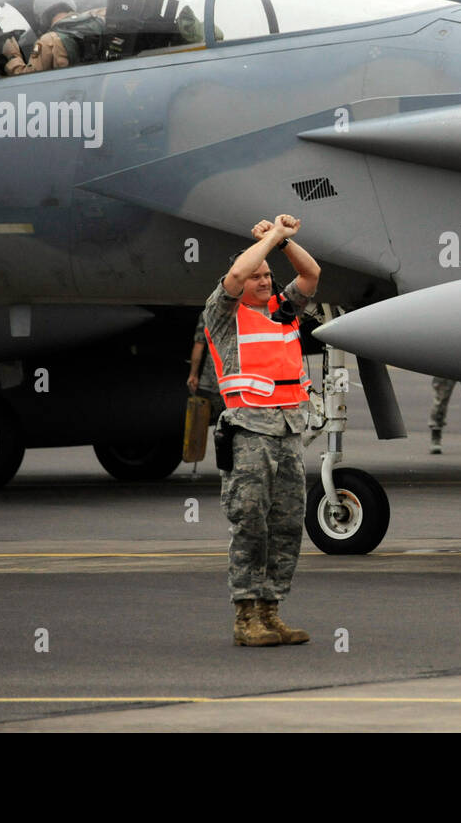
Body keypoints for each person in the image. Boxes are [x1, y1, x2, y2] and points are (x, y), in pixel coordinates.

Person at [204, 214, 319, 647]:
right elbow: (235, 273)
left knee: (287, 525)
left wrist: (285, 242)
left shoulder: (284, 312)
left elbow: (311, 273)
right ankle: (244, 617)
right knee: (250, 523)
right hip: (249, 432)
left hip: (288, 431)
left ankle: (271, 613)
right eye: (259, 276)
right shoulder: (223, 316)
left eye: (269, 276)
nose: (266, 281)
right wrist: (269, 238)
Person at [1, 0, 105, 75]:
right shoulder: (99, 18)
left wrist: (13, 56)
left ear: (41, 14)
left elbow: (27, 78)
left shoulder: (47, 41)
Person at [187, 311, 224, 426]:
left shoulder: (208, 313)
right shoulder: (249, 311)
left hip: (209, 383)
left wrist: (193, 374)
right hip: (237, 385)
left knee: (203, 426)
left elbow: (199, 345)